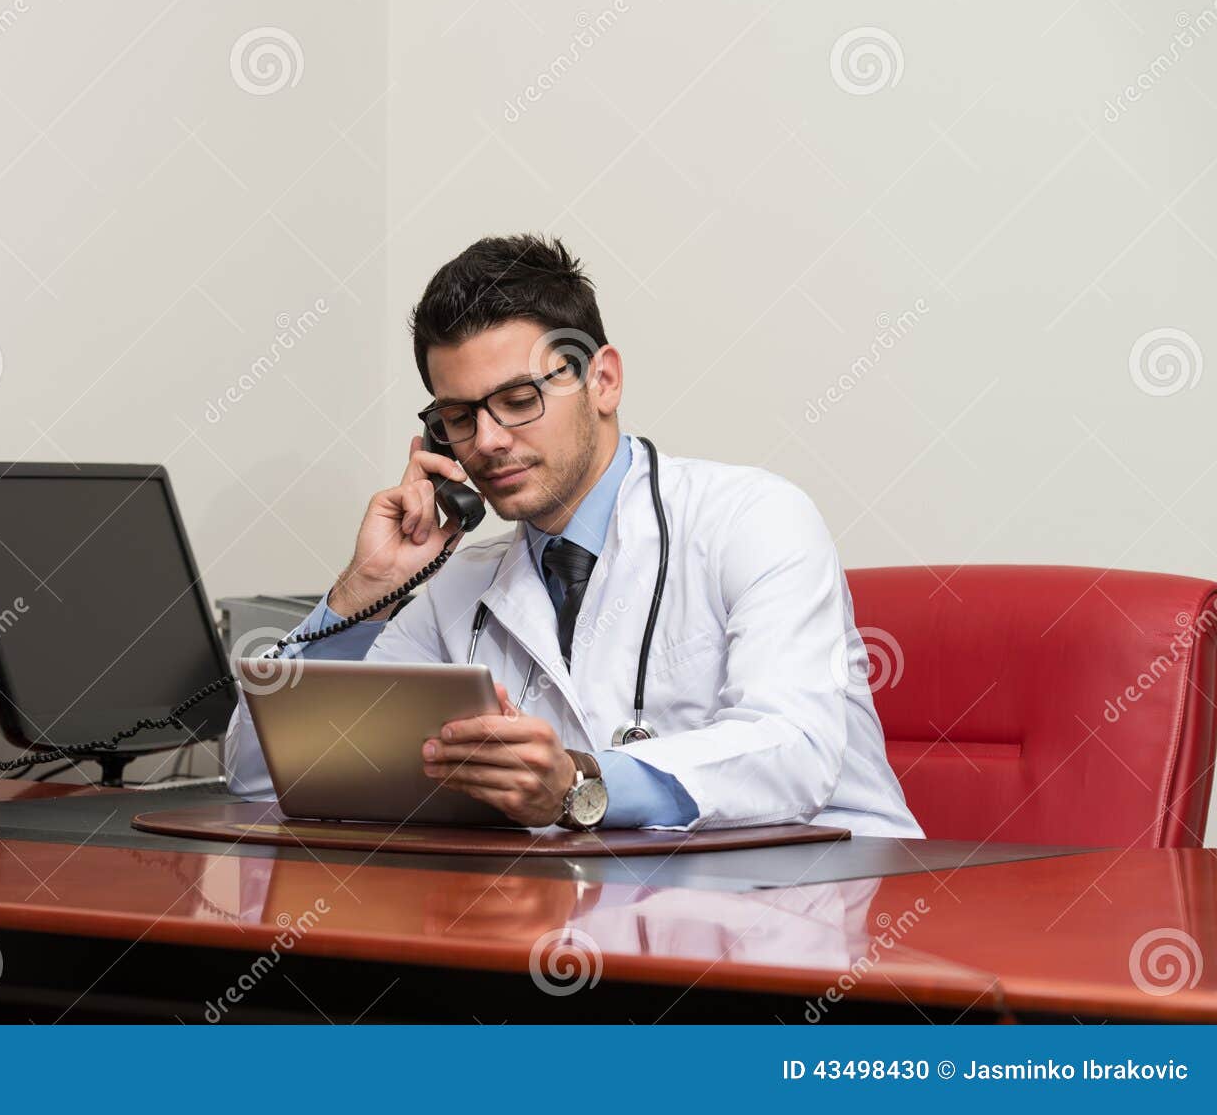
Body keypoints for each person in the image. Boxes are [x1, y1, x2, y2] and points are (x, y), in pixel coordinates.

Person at [223, 233, 921, 837]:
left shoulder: (754, 519)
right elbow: (267, 777)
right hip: (598, 913)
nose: (487, 441)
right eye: (459, 418)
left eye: (519, 400)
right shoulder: (458, 587)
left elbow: (792, 750)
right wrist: (364, 592)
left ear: (603, 381)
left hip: (819, 898)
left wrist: (579, 782)